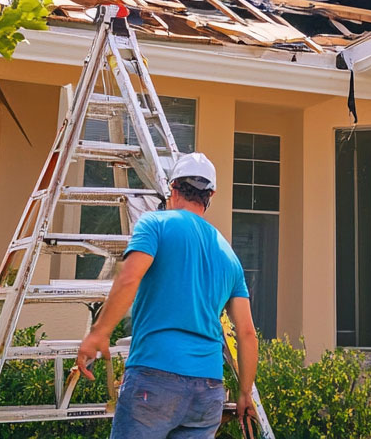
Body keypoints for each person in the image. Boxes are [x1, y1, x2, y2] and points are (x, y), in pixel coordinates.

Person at [75, 152, 259, 439]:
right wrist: (245, 391)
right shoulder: (229, 256)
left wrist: (100, 333)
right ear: (210, 195)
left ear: (172, 189)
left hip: (155, 376)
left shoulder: (155, 225)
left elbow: (129, 278)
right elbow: (247, 333)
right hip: (208, 388)